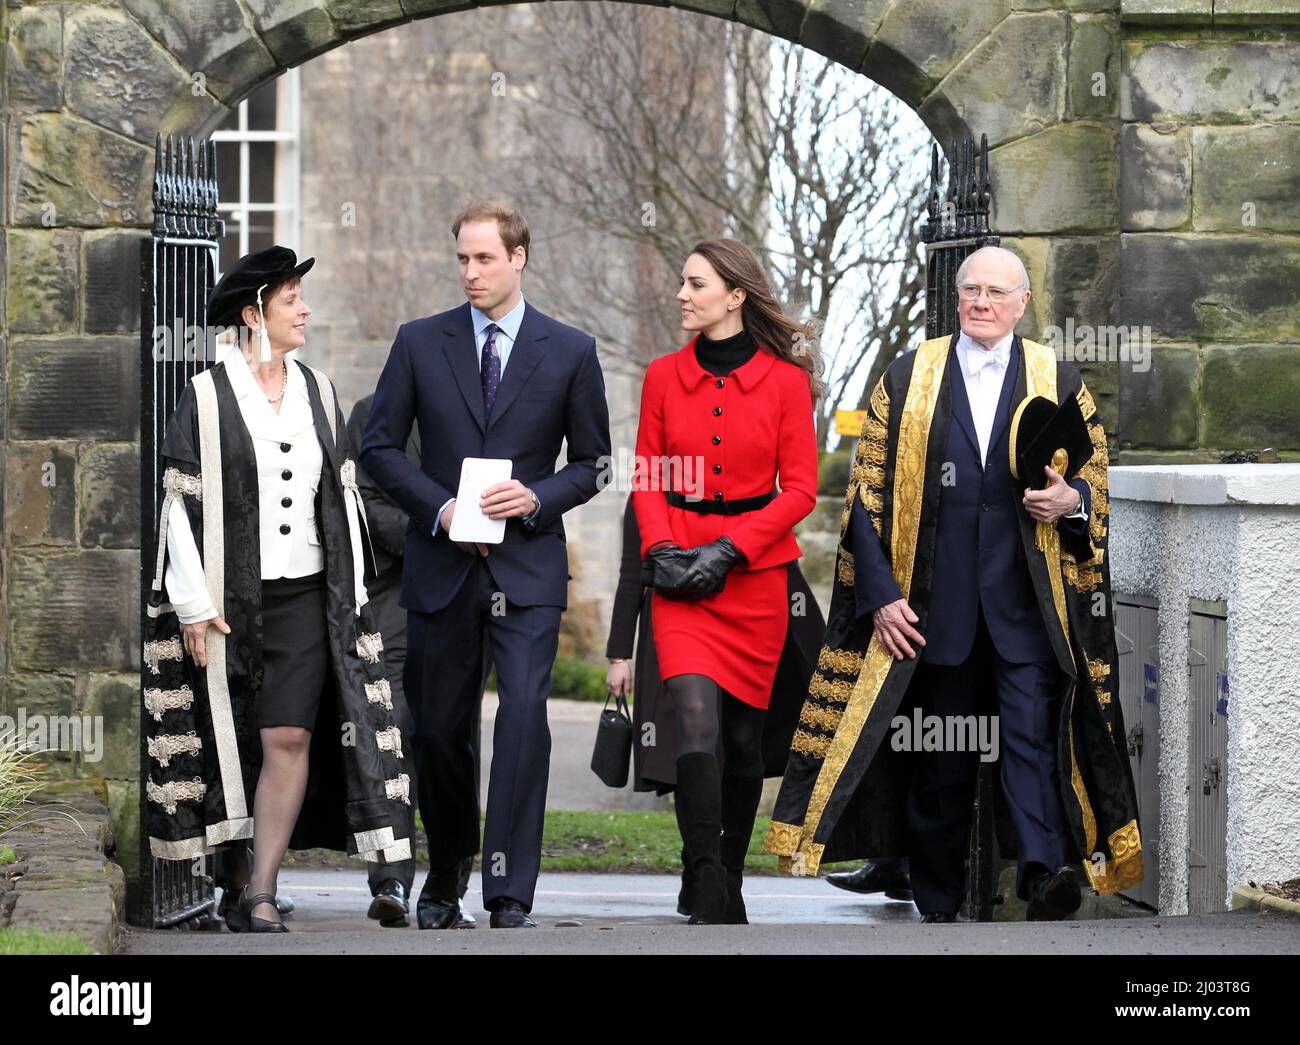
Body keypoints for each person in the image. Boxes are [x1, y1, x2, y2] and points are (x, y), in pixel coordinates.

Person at [764, 246, 1144, 922]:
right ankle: (937, 901)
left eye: (997, 291)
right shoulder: (909, 376)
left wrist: (1072, 503)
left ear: (1022, 303)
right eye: (970, 289)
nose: (981, 301)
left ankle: (1042, 874)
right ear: (957, 297)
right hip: (935, 610)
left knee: (1029, 741)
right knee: (942, 756)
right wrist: (880, 595)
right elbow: (866, 497)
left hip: (1027, 607)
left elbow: (1098, 483)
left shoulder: (1057, 378)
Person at [141, 246, 412, 933]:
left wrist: (351, 589)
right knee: (237, 742)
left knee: (290, 733)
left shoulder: (318, 388)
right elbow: (179, 504)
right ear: (253, 313)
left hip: (304, 595)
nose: (305, 310)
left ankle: (261, 887)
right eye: (292, 299)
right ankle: (230, 877)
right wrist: (193, 603)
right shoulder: (207, 394)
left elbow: (339, 495)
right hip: (232, 601)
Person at [361, 202, 611, 929]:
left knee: (526, 718)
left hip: (528, 571)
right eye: (463, 260)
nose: (470, 273)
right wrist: (440, 510)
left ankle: (510, 890)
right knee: (439, 730)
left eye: (485, 260)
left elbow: (593, 464)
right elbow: (378, 450)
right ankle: (445, 876)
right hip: (442, 569)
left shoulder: (570, 349)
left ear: (519, 258)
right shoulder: (418, 342)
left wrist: (536, 496)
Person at [631, 238, 820, 924]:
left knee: (743, 741)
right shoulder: (659, 375)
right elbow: (648, 474)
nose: (682, 294)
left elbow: (799, 490)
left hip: (754, 579)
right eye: (683, 282)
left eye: (695, 283)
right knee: (695, 721)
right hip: (679, 579)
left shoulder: (786, 383)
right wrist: (663, 548)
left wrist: (731, 550)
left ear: (735, 295)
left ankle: (728, 871)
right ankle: (703, 872)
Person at [604, 493, 828, 918]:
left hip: (749, 623)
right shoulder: (650, 495)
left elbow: (783, 560)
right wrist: (619, 656)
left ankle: (725, 876)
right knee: (685, 754)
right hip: (674, 628)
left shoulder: (754, 490)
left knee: (738, 749)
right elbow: (632, 573)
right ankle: (699, 871)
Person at [345, 394, 481, 929]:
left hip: (466, 595)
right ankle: (392, 880)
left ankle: (451, 887)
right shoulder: (374, 412)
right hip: (395, 595)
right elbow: (361, 502)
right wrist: (440, 528)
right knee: (392, 729)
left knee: (454, 739)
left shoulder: (484, 411)